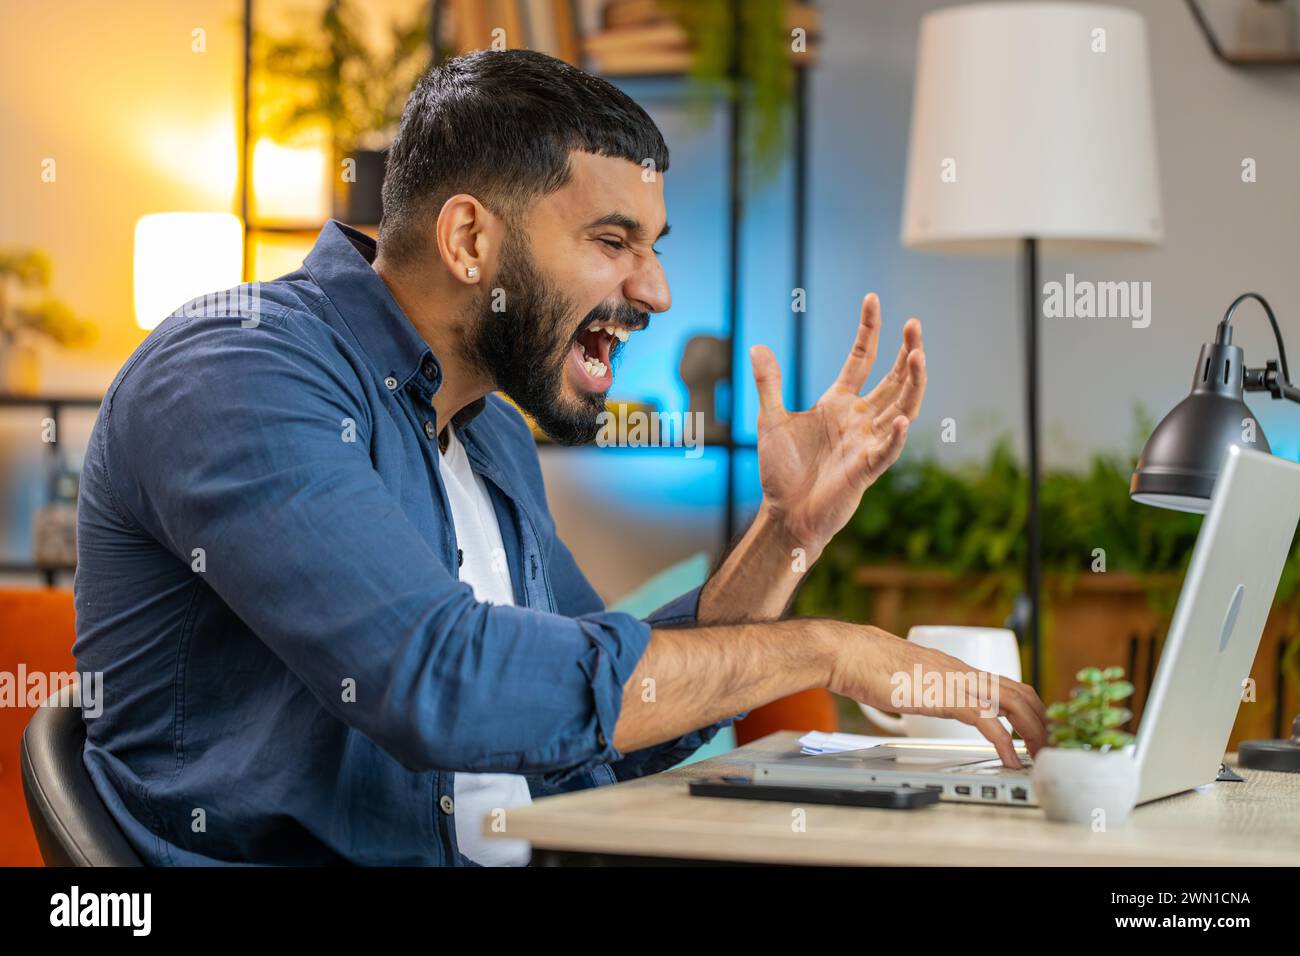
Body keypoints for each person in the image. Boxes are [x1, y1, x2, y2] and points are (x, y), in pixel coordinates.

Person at [74, 49, 1045, 866]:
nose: (657, 290)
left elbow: (593, 727)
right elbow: (440, 680)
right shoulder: (236, 369)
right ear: (468, 239)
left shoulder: (488, 430)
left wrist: (783, 534)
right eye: (613, 240)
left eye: (653, 245)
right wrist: (830, 647)